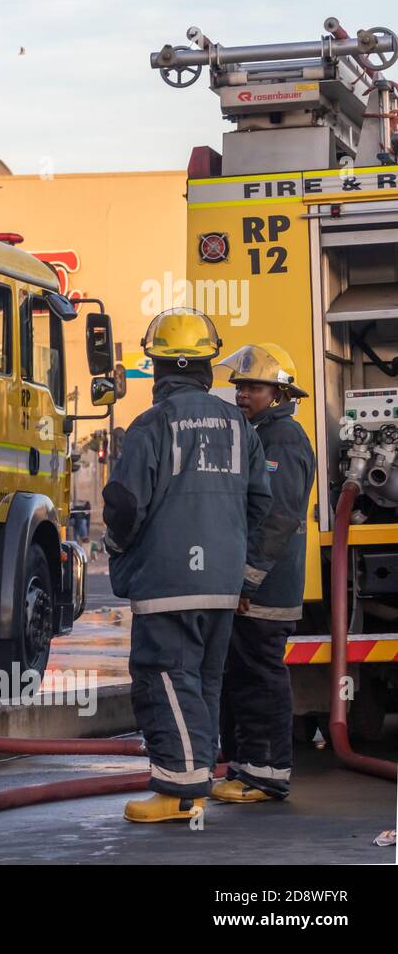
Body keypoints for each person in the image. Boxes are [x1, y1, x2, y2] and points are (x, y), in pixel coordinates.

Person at [103, 309, 272, 823]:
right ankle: (195, 778)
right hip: (221, 581)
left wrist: (116, 546)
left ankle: (179, 790)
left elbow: (126, 506)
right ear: (207, 365)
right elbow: (261, 503)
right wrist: (233, 553)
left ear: (157, 367)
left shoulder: (152, 425)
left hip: (168, 580)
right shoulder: (241, 428)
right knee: (202, 681)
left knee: (164, 677)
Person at [213, 344, 314, 804]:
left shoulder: (284, 439)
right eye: (239, 386)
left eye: (253, 387)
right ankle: (245, 767)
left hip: (266, 588)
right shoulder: (257, 435)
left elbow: (280, 516)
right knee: (241, 675)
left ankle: (267, 774)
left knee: (260, 675)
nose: (242, 395)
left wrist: (247, 578)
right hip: (251, 584)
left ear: (278, 393)